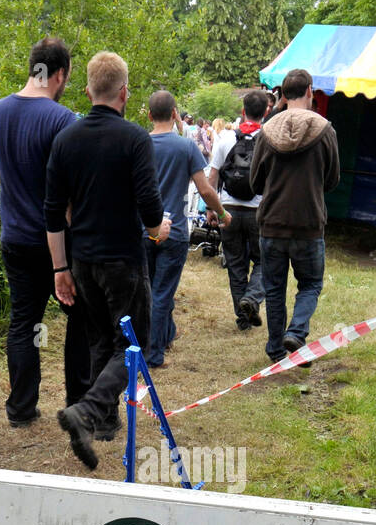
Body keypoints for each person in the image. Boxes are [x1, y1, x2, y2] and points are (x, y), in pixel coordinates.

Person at [44, 51, 170, 470]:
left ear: (87, 90)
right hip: (123, 258)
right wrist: (158, 229)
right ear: (125, 92)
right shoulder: (134, 138)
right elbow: (150, 203)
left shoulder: (66, 139)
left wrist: (60, 269)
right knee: (134, 345)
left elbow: (52, 211)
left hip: (82, 258)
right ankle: (90, 409)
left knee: (101, 340)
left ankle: (104, 423)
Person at [0, 36, 90, 427]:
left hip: (15, 237)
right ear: (59, 74)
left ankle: (21, 408)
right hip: (59, 240)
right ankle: (78, 405)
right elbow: (72, 191)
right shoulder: (63, 120)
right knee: (80, 320)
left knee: (24, 323)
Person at [250, 67, 340, 362]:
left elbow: (255, 182)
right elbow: (332, 180)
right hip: (309, 223)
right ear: (310, 92)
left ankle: (277, 348)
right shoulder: (326, 130)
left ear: (282, 95)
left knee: (274, 289)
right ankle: (297, 332)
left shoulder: (266, 131)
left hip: (272, 223)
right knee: (311, 284)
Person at [145, 91, 230, 368]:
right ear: (174, 114)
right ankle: (154, 353)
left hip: (144, 230)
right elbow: (205, 189)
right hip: (176, 230)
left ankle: (165, 336)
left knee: (152, 290)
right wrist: (221, 212)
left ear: (148, 115)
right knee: (162, 293)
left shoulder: (139, 144)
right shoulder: (185, 147)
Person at [207, 88, 269, 331]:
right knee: (263, 261)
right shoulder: (269, 139)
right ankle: (252, 299)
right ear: (266, 112)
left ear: (243, 112)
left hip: (228, 209)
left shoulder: (225, 139)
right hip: (257, 211)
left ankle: (243, 317)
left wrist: (213, 209)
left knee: (235, 264)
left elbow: (212, 176)